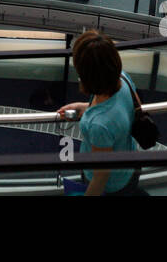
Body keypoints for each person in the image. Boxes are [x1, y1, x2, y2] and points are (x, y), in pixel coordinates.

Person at [55, 30, 141, 196]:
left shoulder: (98, 125)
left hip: (112, 185)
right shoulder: (123, 79)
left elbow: (100, 177)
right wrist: (84, 108)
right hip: (129, 166)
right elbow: (119, 113)